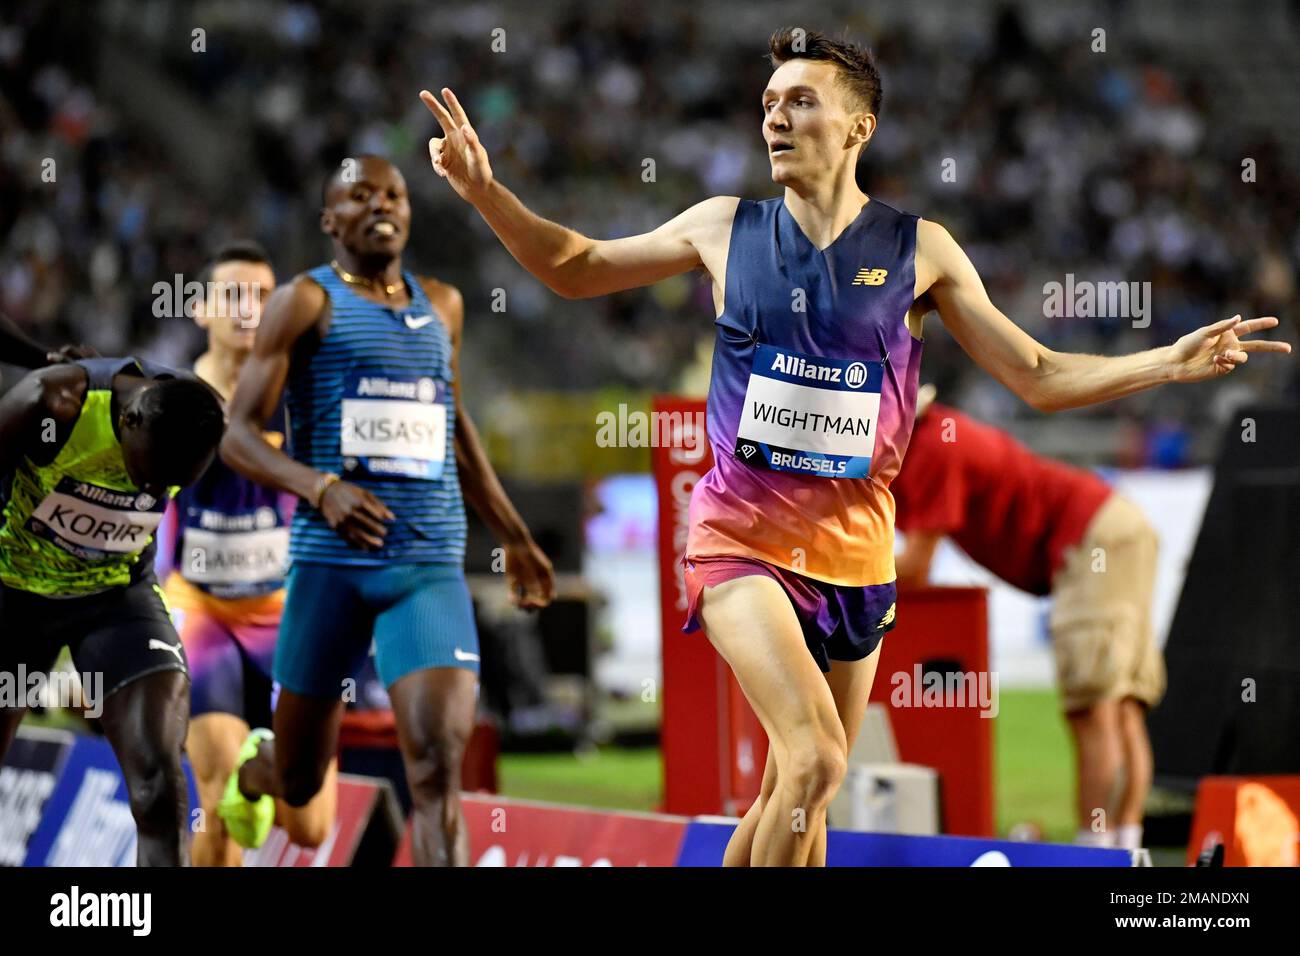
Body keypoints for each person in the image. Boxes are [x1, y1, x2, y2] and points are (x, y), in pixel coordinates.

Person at [420, 26, 1291, 866]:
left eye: (800, 101)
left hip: (855, 562)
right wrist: (485, 192)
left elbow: (1036, 373)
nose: (774, 117)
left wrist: (1164, 363)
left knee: (791, 795)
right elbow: (574, 265)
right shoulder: (724, 227)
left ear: (858, 127)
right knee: (818, 758)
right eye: (767, 102)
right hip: (739, 542)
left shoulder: (923, 252)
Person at [217, 155, 555, 866]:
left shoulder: (445, 304)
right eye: (358, 195)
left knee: (434, 768)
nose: (381, 205)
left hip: (426, 564)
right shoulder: (304, 303)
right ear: (329, 220)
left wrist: (514, 535)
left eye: (394, 194)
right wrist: (319, 488)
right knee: (302, 780)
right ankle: (258, 767)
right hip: (330, 567)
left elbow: (453, 425)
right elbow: (238, 434)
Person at [892, 385, 1161, 850]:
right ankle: (1126, 845)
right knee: (1121, 710)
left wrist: (835, 577)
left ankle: (1094, 849)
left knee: (1093, 709)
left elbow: (914, 565)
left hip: (1089, 537)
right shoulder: (942, 435)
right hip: (1113, 526)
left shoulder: (932, 449)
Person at [0, 356, 224, 866]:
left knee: (158, 789)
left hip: (115, 600)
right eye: (144, 474)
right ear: (128, 420)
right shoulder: (50, 403)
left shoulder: (203, 418)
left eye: (164, 486)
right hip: (13, 594)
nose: (147, 492)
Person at [154, 241, 337, 866]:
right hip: (198, 611)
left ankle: (260, 770)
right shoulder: (167, 399)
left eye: (263, 296)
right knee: (213, 803)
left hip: (282, 617)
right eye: (232, 295)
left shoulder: (304, 394)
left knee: (309, 824)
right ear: (200, 309)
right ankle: (240, 775)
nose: (249, 308)